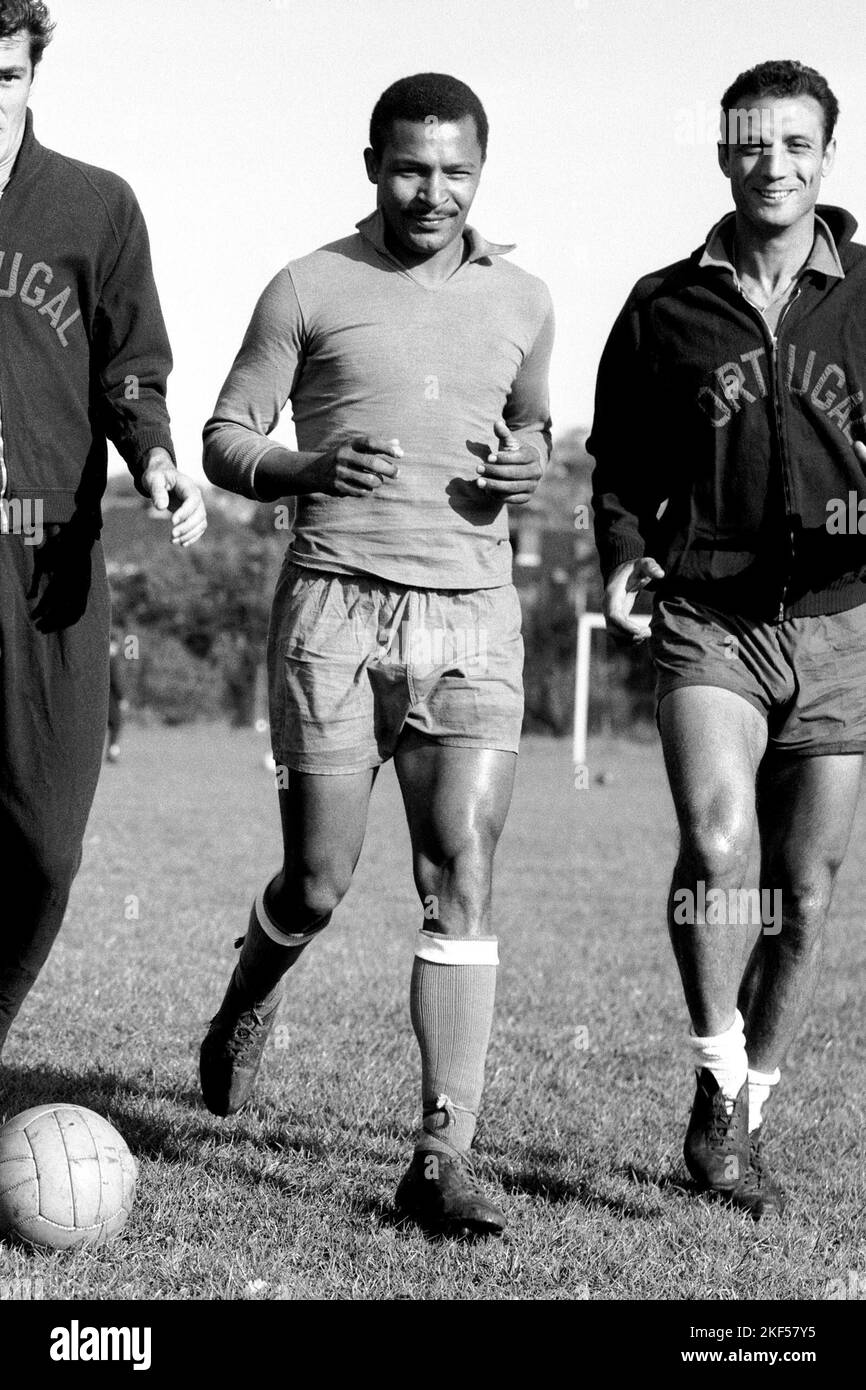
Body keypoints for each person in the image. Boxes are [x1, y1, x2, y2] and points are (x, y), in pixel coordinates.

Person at [201, 72, 553, 1237]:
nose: (433, 191)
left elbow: (534, 425)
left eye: (456, 171)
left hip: (471, 615)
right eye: (411, 167)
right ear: (371, 164)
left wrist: (527, 461)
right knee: (318, 881)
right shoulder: (306, 285)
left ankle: (439, 1154)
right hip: (336, 615)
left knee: (459, 870)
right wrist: (300, 470)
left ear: (480, 173)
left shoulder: (526, 298)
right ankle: (244, 1000)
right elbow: (225, 436)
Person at [590, 59, 865, 1218]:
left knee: (803, 894)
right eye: (752, 143)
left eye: (796, 144)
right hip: (708, 619)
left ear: (824, 156)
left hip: (841, 624)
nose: (774, 163)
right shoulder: (663, 308)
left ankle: (748, 1104)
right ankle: (712, 1077)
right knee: (717, 845)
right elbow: (616, 471)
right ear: (721, 152)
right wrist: (619, 554)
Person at [0, 1, 207, 1056]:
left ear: (34, 73)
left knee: (44, 848)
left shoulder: (93, 207)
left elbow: (130, 375)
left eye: (1, 75)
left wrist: (159, 461)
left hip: (47, 560)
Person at [106, 634, 128, 763]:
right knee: (116, 724)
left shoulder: (100, 660)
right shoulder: (112, 660)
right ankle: (112, 753)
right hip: (112, 699)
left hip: (103, 699)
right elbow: (116, 682)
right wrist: (122, 698)